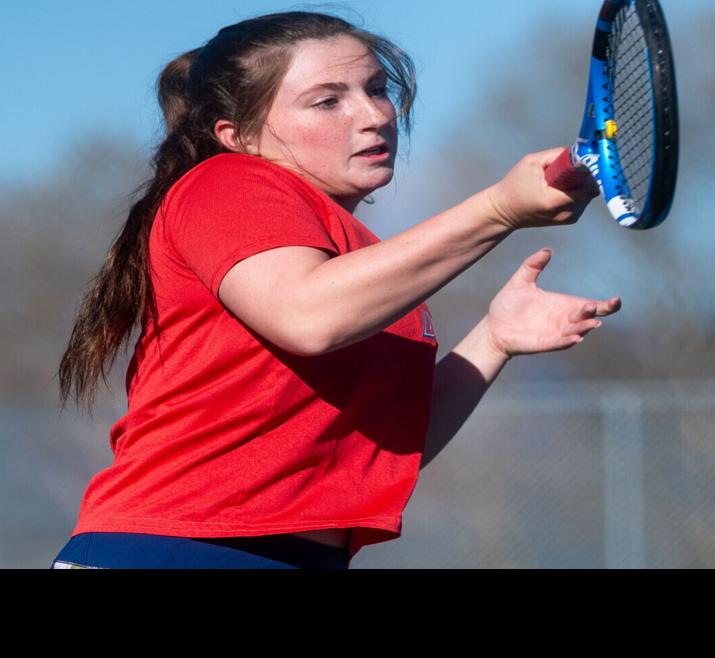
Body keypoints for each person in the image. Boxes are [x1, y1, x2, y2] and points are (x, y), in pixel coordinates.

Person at [51, 12, 618, 569]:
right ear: (238, 136)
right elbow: (309, 317)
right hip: (172, 548)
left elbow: (384, 449)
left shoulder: (359, 264)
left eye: (377, 89)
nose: (374, 115)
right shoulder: (226, 182)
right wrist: (498, 209)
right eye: (327, 101)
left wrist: (494, 339)